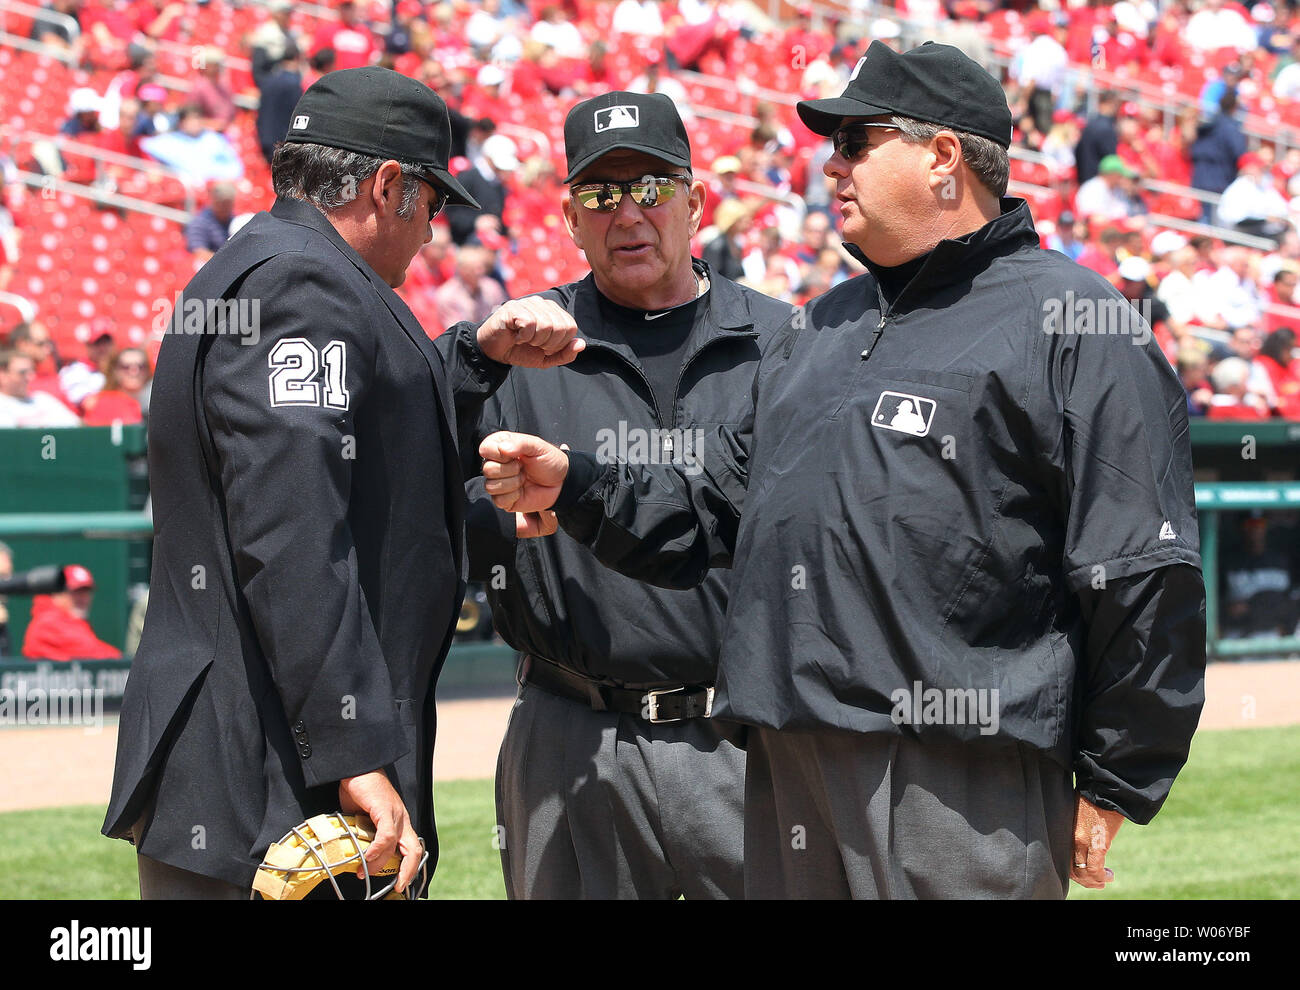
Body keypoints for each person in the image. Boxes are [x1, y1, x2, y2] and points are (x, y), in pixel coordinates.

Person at [482, 42, 1207, 899]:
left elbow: (1141, 570)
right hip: (791, 767)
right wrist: (577, 482)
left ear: (943, 158)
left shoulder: (1076, 320)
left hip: (957, 779)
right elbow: (714, 497)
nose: (831, 166)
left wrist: (1116, 775)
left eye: (855, 142)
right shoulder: (821, 326)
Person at [101, 66, 583, 901]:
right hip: (276, 764)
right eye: (432, 201)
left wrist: (469, 361)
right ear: (387, 183)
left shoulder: (263, 263)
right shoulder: (303, 282)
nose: (435, 229)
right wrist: (352, 746)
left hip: (259, 746)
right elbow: (290, 531)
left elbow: (357, 437)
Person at [463, 90, 791, 899]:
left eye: (651, 186)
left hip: (743, 736)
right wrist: (491, 504)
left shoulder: (785, 343)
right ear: (571, 218)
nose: (629, 213)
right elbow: (430, 500)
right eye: (602, 195)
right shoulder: (521, 345)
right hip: (570, 734)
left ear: (696, 201)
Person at [22, 565, 121, 661]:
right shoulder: (47, 622)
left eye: (86, 592)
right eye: (76, 592)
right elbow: (93, 653)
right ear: (58, 594)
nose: (83, 598)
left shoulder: (75, 621)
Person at [0, 350, 79, 428]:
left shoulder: (42, 399)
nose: (30, 377)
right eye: (22, 373)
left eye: (31, 371)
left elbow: (76, 426)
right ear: (2, 375)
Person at [184, 181, 238, 262]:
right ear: (214, 201)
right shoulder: (200, 222)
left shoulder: (235, 220)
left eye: (228, 203)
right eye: (221, 203)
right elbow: (198, 252)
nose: (224, 207)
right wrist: (228, 262)